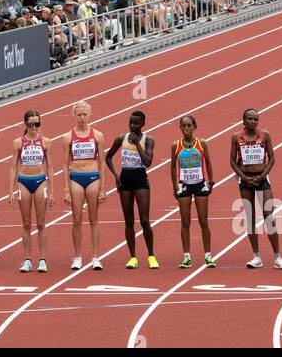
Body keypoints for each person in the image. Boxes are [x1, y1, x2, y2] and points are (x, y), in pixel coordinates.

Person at [230, 108, 282, 269]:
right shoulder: (236, 137)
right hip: (245, 181)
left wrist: (262, 176)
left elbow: (272, 158)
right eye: (250, 119)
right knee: (250, 218)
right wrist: (244, 177)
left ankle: (278, 257)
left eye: (256, 119)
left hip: (262, 179)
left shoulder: (265, 135)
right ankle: (256, 257)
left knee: (268, 215)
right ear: (244, 121)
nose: (253, 122)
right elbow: (232, 161)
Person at [105, 109, 158, 269]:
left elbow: (148, 162)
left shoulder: (148, 140)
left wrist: (137, 144)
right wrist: (116, 175)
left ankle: (151, 255)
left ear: (143, 124)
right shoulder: (121, 138)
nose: (132, 126)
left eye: (136, 123)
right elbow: (108, 157)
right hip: (125, 179)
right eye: (130, 122)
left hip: (141, 179)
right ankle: (133, 257)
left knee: (144, 219)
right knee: (129, 220)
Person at [10, 109, 54, 273]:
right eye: (31, 124)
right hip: (23, 182)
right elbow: (13, 166)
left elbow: (50, 167)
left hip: (40, 181)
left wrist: (52, 190)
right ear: (25, 124)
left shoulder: (46, 142)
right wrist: (10, 191)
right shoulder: (18, 142)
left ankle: (42, 259)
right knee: (26, 223)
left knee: (41, 223)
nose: (34, 127)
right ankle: (27, 259)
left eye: (37, 123)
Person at [64, 100, 106, 270]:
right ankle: (77, 257)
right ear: (74, 116)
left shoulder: (97, 135)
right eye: (79, 114)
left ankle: (96, 257)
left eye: (84, 114)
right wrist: (66, 189)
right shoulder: (68, 137)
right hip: (76, 177)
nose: (82, 118)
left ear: (89, 114)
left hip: (93, 177)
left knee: (94, 219)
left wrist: (103, 187)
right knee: (76, 219)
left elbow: (102, 161)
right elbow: (64, 164)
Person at [170, 114, 214, 269]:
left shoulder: (201, 143)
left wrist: (211, 181)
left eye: (189, 126)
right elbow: (172, 167)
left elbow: (208, 162)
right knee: (185, 221)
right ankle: (186, 257)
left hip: (200, 184)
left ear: (195, 127)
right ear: (180, 128)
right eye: (183, 126)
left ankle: (208, 256)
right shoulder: (176, 145)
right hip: (184, 185)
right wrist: (175, 186)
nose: (186, 129)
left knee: (203, 221)